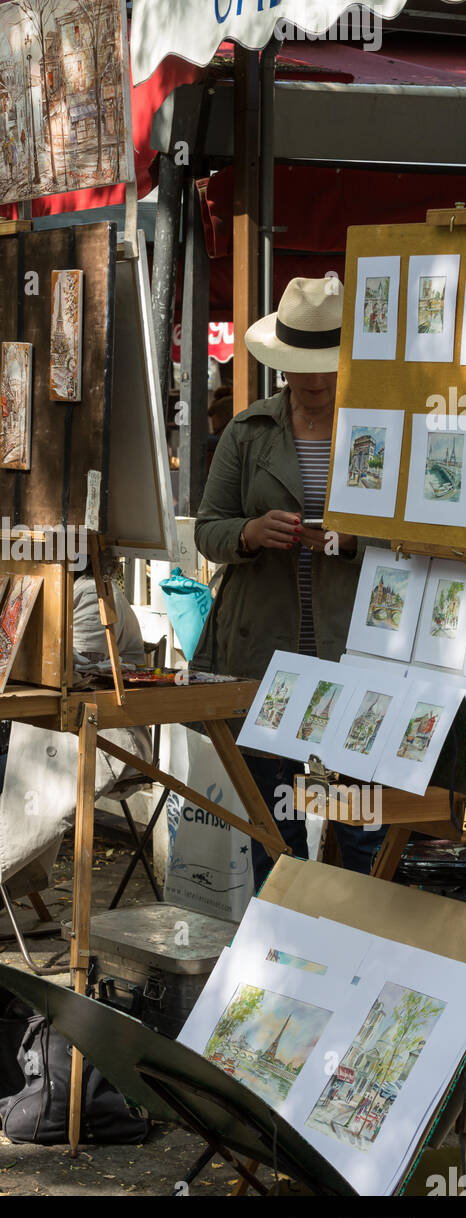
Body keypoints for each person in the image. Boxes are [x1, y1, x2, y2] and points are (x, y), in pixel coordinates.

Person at [190, 276, 385, 887]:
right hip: (265, 645)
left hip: (350, 642)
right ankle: (281, 933)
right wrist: (249, 534)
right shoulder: (249, 432)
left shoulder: (375, 429)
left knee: (357, 810)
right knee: (275, 817)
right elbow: (208, 528)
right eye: (302, 368)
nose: (315, 382)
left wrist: (355, 541)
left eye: (325, 367)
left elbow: (407, 534)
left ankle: (356, 931)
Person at [0, 560, 148, 956]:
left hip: (98, 740)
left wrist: (1, 657)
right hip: (41, 733)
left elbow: (70, 678)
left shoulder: (91, 595)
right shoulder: (41, 588)